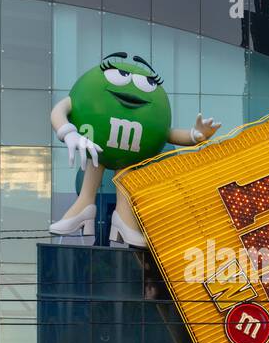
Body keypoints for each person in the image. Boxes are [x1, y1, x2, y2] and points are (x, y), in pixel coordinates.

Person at [48, 53, 220, 246]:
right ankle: (89, 208)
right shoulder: (86, 93)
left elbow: (166, 133)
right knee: (98, 158)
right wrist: (68, 132)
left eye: (149, 81)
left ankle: (121, 218)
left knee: (121, 168)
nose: (132, 84)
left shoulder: (155, 113)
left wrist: (196, 135)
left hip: (127, 158)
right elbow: (60, 110)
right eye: (119, 73)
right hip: (98, 149)